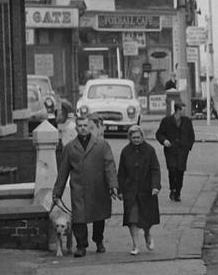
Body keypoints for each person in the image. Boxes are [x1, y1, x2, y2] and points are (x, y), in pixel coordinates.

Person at [52, 113, 117, 257]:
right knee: (79, 218)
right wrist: (57, 192)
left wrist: (113, 185)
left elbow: (110, 166)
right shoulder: (70, 148)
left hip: (98, 187)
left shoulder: (101, 145)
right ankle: (81, 245)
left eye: (85, 126)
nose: (82, 128)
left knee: (99, 216)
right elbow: (63, 171)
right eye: (80, 126)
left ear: (90, 127)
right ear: (76, 127)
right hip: (79, 188)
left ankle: (99, 241)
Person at [117, 124, 161, 255]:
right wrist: (120, 190)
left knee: (146, 219)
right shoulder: (125, 151)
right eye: (133, 137)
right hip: (130, 191)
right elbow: (121, 172)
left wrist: (155, 186)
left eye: (138, 137)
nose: (136, 140)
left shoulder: (150, 150)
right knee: (132, 219)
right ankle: (135, 245)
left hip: (146, 190)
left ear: (142, 136)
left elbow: (155, 169)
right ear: (129, 138)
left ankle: (147, 235)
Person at [155, 97, 195, 203]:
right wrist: (164, 141)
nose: (185, 112)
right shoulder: (166, 121)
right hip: (171, 150)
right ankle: (172, 189)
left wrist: (188, 147)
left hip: (182, 150)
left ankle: (178, 192)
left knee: (180, 171)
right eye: (184, 110)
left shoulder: (187, 121)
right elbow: (159, 134)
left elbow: (191, 135)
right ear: (178, 110)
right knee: (172, 170)